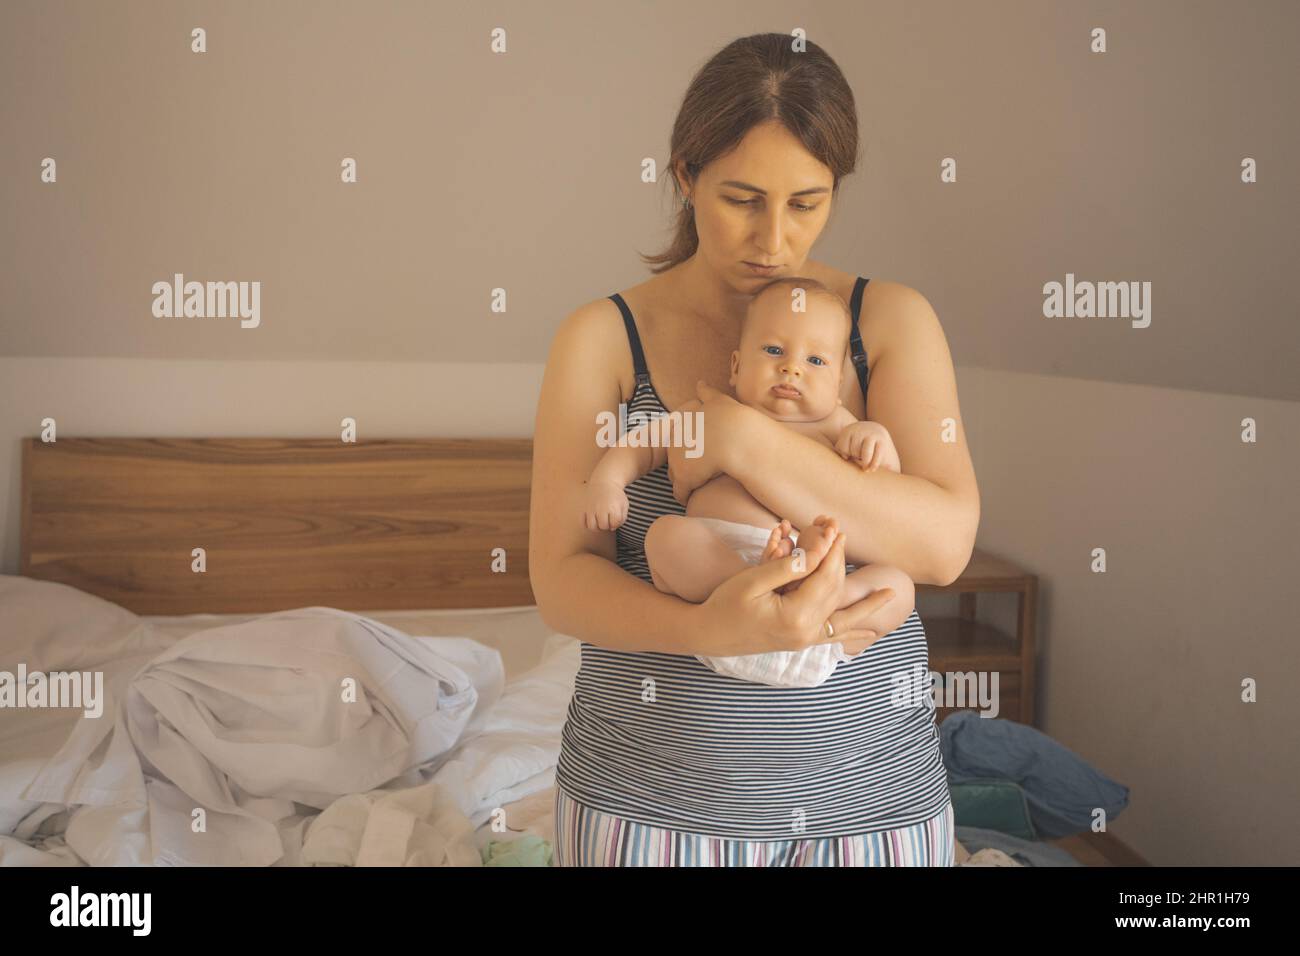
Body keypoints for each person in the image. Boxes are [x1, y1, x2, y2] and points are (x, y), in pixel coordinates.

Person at [529, 33, 980, 866]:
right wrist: (711, 631)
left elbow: (943, 546)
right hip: (651, 810)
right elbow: (560, 581)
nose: (774, 240)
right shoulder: (604, 339)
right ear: (684, 176)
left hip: (873, 803)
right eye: (742, 198)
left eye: (806, 203)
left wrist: (744, 438)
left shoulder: (885, 322)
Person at [580, 276, 916, 688]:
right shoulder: (712, 413)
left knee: (897, 587)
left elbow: (891, 501)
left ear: (839, 384)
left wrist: (877, 440)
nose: (791, 367)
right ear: (736, 367)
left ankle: (824, 604)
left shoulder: (840, 427)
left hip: (816, 593)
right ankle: (758, 587)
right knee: (665, 536)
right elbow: (644, 444)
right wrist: (607, 482)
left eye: (816, 361)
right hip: (723, 579)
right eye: (774, 350)